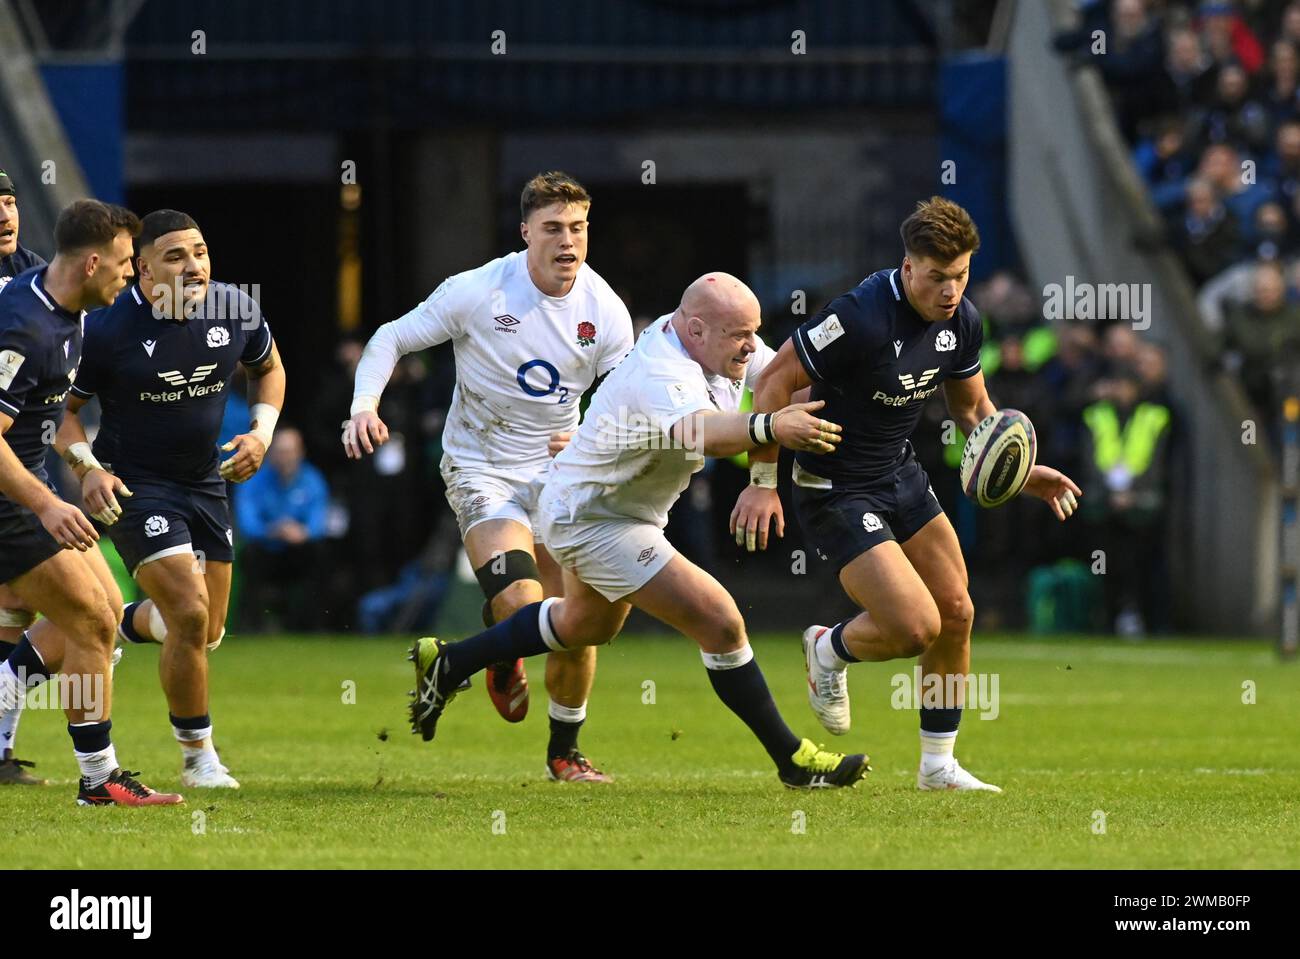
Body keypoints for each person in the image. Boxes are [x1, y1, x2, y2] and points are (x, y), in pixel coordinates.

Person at [408, 272, 871, 790]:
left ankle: (451, 662)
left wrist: (862, 383)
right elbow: (699, 431)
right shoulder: (661, 369)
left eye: (754, 331)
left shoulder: (721, 345)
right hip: (592, 516)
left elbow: (781, 378)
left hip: (615, 507)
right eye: (740, 334)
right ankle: (795, 761)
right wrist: (769, 427)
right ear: (695, 330)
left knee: (588, 625)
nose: (750, 344)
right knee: (720, 621)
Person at [731, 197, 1083, 792]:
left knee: (957, 613)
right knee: (915, 627)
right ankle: (829, 649)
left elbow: (973, 411)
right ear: (908, 266)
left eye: (962, 275)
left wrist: (1024, 472)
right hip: (835, 487)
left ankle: (938, 766)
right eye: (939, 276)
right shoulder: (861, 316)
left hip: (900, 474)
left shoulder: (964, 320)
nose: (951, 290)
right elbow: (772, 381)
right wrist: (762, 484)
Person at [345, 172, 633, 782]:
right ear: (525, 231)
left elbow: (627, 400)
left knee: (575, 621)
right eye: (552, 228)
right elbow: (391, 338)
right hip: (483, 469)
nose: (567, 242)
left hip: (562, 476)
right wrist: (363, 408)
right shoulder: (478, 291)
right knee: (525, 603)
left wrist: (595, 440)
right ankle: (504, 646)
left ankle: (564, 751)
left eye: (577, 228)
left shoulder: (605, 310)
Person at [55, 208, 286, 789]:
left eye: (201, 252)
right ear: (142, 270)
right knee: (187, 612)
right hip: (134, 486)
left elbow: (270, 368)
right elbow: (62, 413)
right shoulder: (105, 327)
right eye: (176, 256)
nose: (195, 266)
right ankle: (198, 757)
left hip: (205, 480)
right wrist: (87, 470)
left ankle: (111, 627)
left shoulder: (234, 308)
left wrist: (261, 431)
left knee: (205, 631)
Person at [0, 198, 181, 805]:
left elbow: (50, 420)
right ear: (93, 262)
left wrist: (81, 471)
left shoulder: (68, 308)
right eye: (128, 263)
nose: (132, 274)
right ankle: (99, 779)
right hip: (10, 498)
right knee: (92, 621)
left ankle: (5, 689)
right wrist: (47, 505)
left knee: (104, 610)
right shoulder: (23, 325)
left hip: (28, 487)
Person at [0, 169, 50, 783]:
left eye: (9, 201)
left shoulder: (38, 275)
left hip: (21, 466)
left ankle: (2, 748)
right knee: (89, 614)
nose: (4, 214)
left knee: (17, 604)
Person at [236, 426, 329, 631]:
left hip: (298, 551)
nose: (285, 457)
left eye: (289, 451)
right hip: (267, 550)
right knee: (250, 554)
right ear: (271, 454)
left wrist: (301, 532)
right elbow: (247, 523)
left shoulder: (313, 480)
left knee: (319, 553)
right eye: (280, 451)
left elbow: (318, 524)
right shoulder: (254, 480)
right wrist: (273, 530)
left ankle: (311, 626)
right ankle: (253, 627)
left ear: (300, 453)